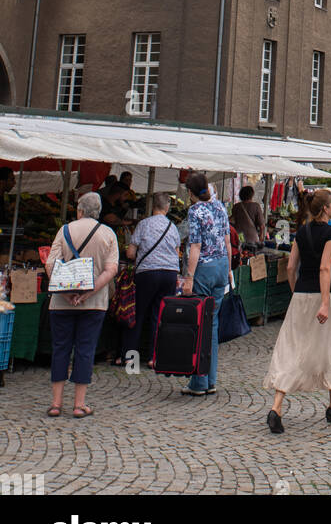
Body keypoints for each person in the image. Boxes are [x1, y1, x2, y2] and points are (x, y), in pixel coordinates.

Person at [264, 188, 331, 431]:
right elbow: (326, 268)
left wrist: (297, 293)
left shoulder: (301, 232)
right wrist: (323, 302)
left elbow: (291, 267)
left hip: (301, 294)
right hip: (328, 296)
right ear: (325, 209)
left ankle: (277, 407)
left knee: (292, 348)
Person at [44, 192, 119, 418]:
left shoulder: (65, 230)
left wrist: (66, 293)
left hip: (61, 302)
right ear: (98, 211)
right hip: (94, 303)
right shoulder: (108, 233)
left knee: (60, 349)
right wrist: (89, 292)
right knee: (85, 350)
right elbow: (111, 269)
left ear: (79, 210)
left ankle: (56, 403)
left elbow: (50, 264)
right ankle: (79, 405)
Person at [181, 172, 232, 397]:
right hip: (221, 266)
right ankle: (211, 379)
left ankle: (199, 381)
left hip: (204, 269)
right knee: (212, 323)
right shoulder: (220, 207)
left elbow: (195, 245)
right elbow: (228, 240)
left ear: (190, 193)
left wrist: (189, 277)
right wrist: (229, 269)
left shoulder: (195, 211)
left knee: (199, 323)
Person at [124, 193, 180, 367]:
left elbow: (130, 253)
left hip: (148, 272)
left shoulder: (143, 224)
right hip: (170, 273)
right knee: (159, 315)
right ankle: (153, 358)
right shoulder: (173, 227)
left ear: (152, 206)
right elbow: (177, 252)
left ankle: (130, 359)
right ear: (167, 207)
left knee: (138, 314)